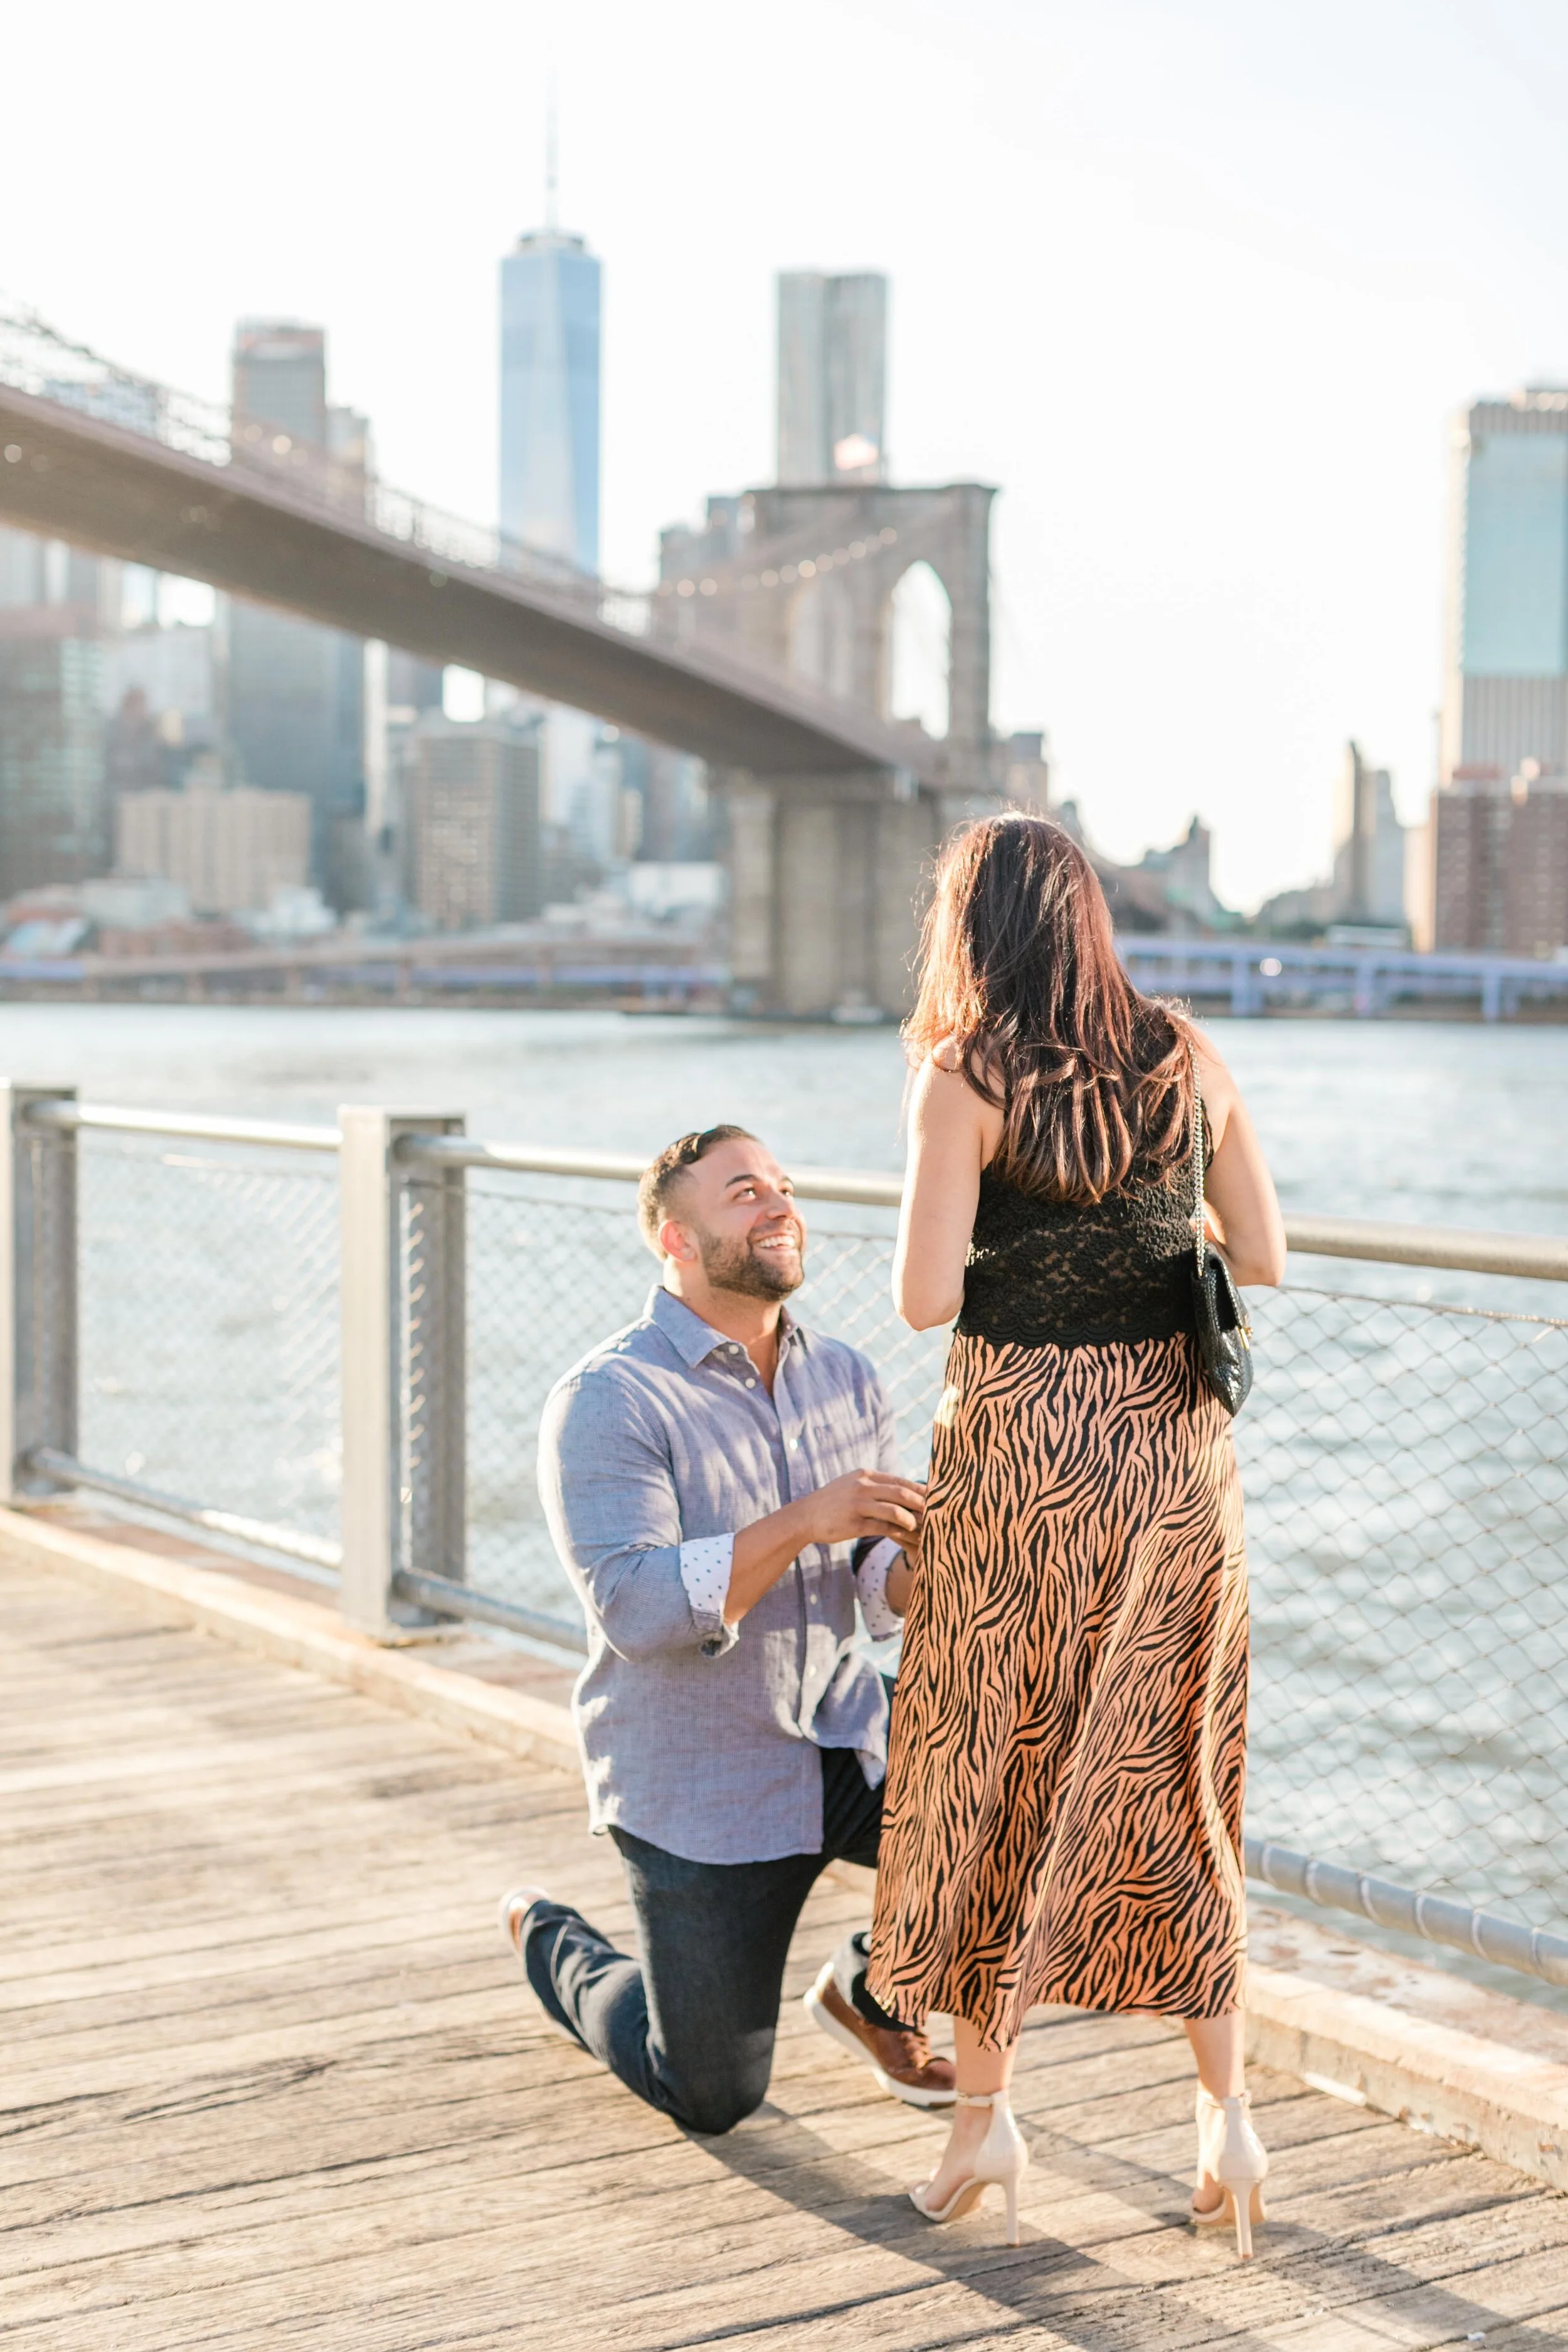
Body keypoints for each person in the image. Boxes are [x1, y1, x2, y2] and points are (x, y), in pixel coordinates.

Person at [866, 814, 1287, 2257]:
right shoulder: (1183, 1052)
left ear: (970, 931)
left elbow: (927, 1296)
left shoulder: (963, 1073)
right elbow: (1266, 1254)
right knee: (1174, 1767)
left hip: (1028, 1456)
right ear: (1091, 922)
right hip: (1176, 1460)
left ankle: (984, 2121)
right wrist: (1138, 1248)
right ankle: (1223, 2120)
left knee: (1000, 1756)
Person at [499, 1123, 957, 2133]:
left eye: (784, 1186)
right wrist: (805, 1521)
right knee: (710, 2093)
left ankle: (874, 1993)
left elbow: (874, 1583)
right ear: (673, 1238)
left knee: (1020, 1793)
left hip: (839, 1730)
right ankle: (555, 1942)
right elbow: (639, 1610)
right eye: (745, 1191)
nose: (780, 1205)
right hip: (699, 1782)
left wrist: (950, 1554)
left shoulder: (847, 1376)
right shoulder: (607, 1399)